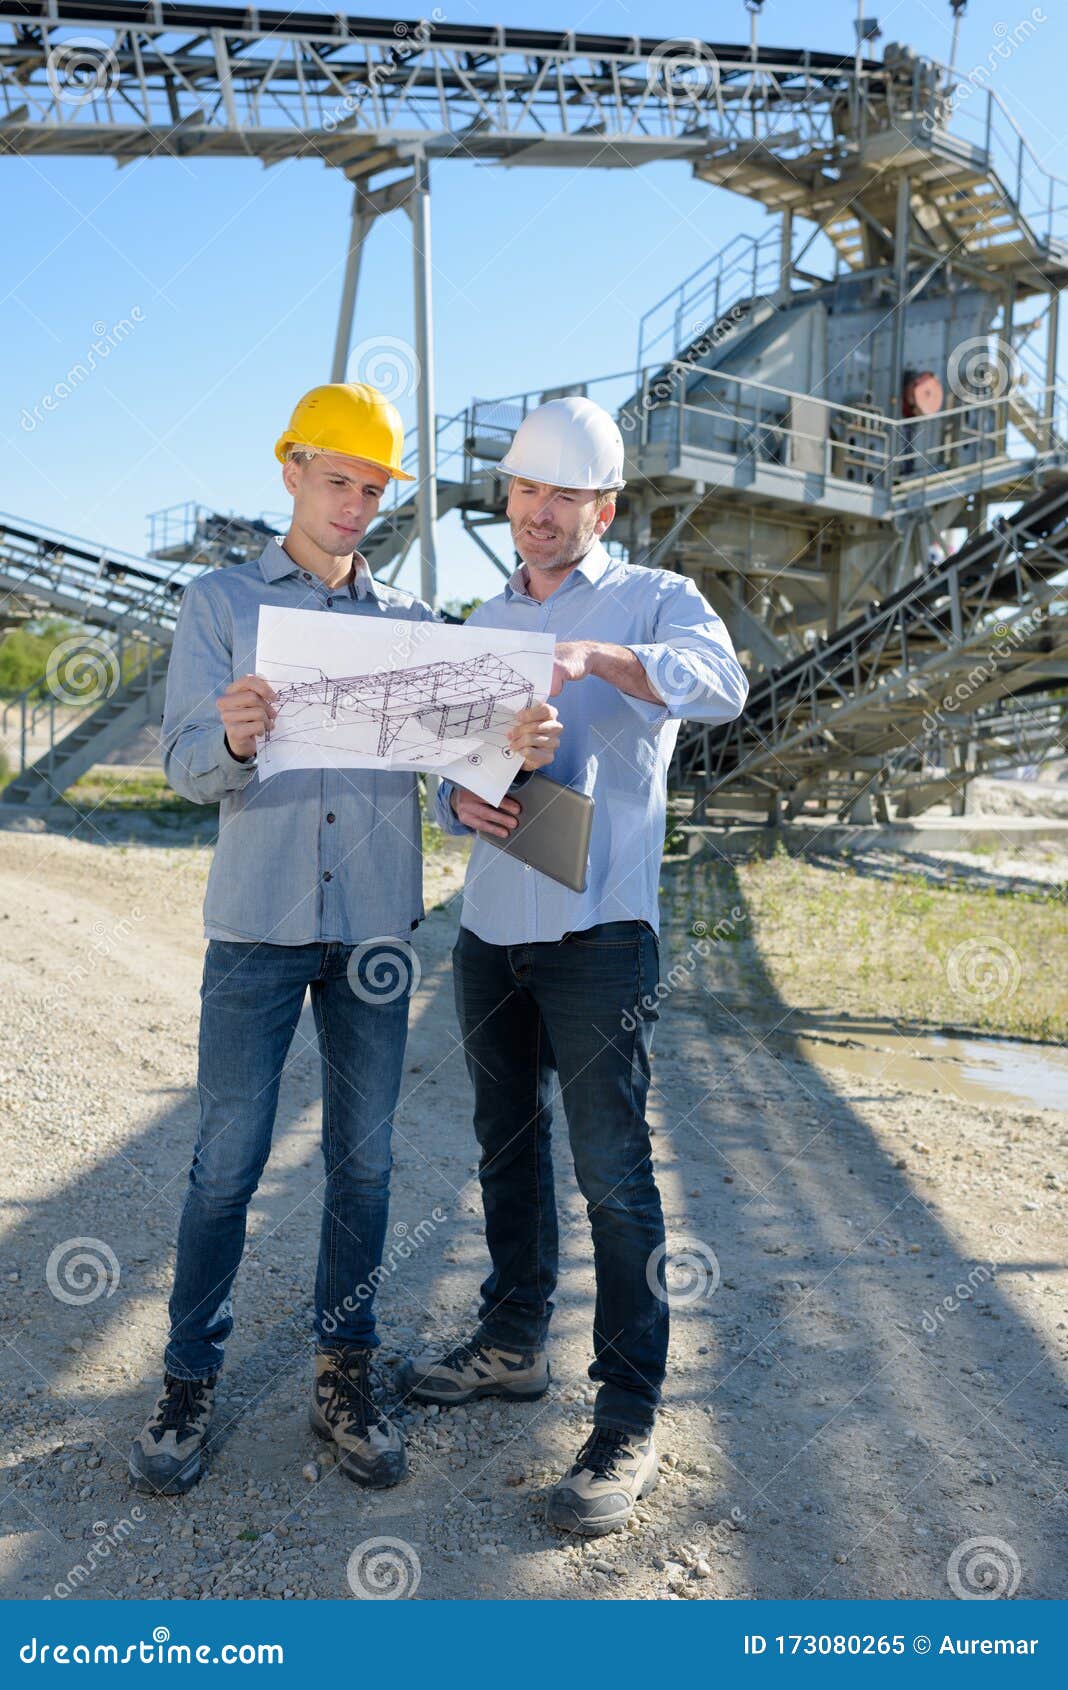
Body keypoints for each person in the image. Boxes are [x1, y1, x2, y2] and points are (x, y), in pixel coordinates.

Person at [129, 381, 559, 1496]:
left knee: (362, 1167)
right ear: (291, 471)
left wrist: (516, 742)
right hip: (257, 929)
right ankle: (187, 1378)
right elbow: (182, 768)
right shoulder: (217, 605)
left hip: (373, 930)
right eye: (340, 481)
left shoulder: (414, 628)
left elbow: (473, 781)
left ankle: (344, 1373)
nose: (358, 503)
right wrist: (227, 737)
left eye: (375, 488)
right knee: (225, 1162)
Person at [403, 396, 748, 1537]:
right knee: (505, 1146)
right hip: (493, 924)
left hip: (601, 932)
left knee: (614, 1176)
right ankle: (510, 1343)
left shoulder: (656, 597)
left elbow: (723, 683)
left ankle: (628, 1414)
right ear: (507, 498)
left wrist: (596, 658)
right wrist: (460, 794)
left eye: (564, 496)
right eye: (525, 492)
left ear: (602, 505)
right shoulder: (480, 613)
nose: (540, 513)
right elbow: (447, 769)